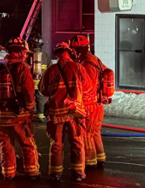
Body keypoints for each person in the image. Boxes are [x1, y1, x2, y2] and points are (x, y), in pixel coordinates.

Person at [40, 41, 90, 182]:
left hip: (56, 114)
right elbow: (87, 87)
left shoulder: (50, 70)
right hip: (74, 113)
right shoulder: (78, 67)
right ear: (69, 53)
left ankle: (55, 173)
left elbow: (43, 90)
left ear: (57, 54)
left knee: (56, 143)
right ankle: (78, 173)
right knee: (77, 141)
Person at [0, 38, 40, 181]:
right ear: (19, 54)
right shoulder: (23, 69)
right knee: (27, 143)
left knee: (5, 144)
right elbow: (28, 91)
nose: (25, 56)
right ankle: (32, 172)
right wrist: (29, 109)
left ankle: (8, 173)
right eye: (24, 53)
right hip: (19, 116)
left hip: (1, 116)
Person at [71, 35, 108, 168]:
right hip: (98, 105)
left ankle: (90, 161)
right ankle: (100, 157)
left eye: (74, 50)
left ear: (78, 49)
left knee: (86, 133)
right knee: (95, 132)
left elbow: (87, 87)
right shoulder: (96, 60)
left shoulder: (85, 65)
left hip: (89, 106)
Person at [28, 36, 51, 123]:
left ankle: (28, 117)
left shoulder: (28, 55)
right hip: (41, 83)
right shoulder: (45, 56)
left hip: (30, 83)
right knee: (41, 99)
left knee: (29, 100)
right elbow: (50, 70)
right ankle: (41, 116)